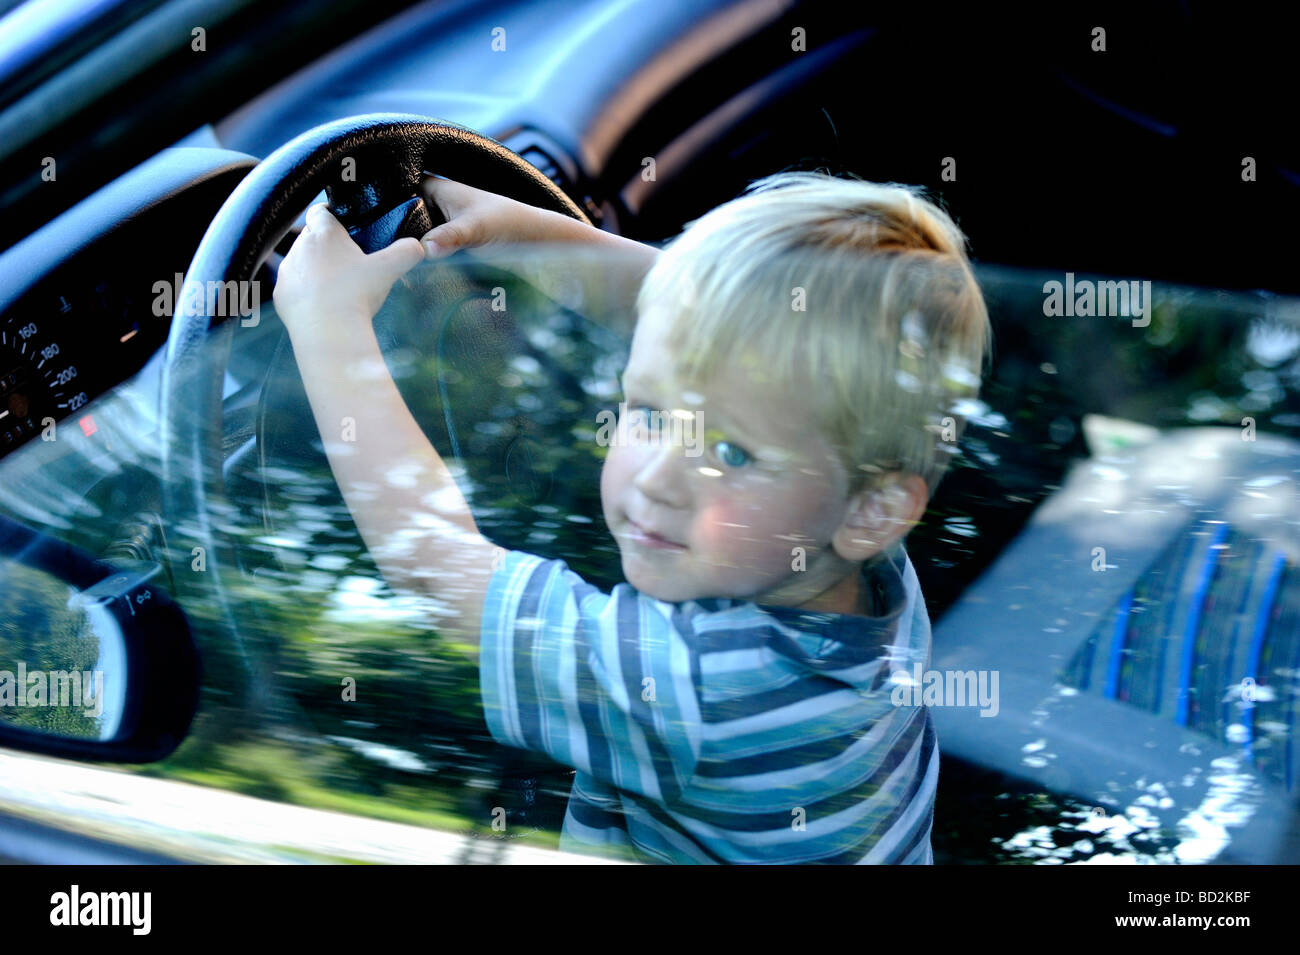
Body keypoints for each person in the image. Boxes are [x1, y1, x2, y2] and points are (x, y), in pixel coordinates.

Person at [272, 171, 991, 863]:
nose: (658, 478)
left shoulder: (701, 690)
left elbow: (434, 566)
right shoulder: (872, 563)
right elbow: (690, 329)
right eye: (649, 411)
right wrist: (514, 233)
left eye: (733, 452)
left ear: (875, 508)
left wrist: (327, 322)